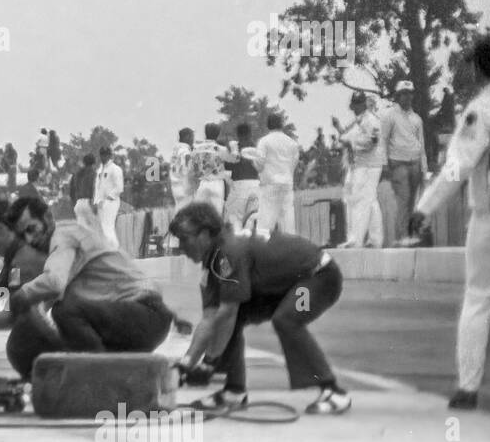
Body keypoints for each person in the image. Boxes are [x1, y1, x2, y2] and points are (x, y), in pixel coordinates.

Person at [169, 201, 351, 414]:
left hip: (318, 277)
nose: (181, 247)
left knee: (287, 319)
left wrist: (209, 364)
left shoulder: (229, 253)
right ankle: (233, 392)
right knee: (231, 319)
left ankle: (334, 391)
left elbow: (227, 312)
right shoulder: (212, 264)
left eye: (184, 239)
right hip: (286, 285)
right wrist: (185, 365)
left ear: (205, 234)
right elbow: (211, 318)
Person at [0, 196, 174, 380]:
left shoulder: (45, 249)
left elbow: (17, 308)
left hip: (145, 313)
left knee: (54, 319)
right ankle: (97, 373)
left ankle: (100, 377)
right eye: (23, 234)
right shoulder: (19, 261)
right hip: (131, 315)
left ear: (1, 230)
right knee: (30, 336)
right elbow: (5, 293)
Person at [411, 33, 490, 410]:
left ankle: (467, 389)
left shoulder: (481, 109)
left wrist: (425, 207)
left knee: (479, 298)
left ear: (480, 69)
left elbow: (458, 167)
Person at [334, 91, 385, 248]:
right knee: (370, 201)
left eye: (358, 103)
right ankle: (375, 239)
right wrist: (345, 140)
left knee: (360, 200)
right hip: (358, 164)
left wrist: (350, 142)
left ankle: (356, 239)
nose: (355, 107)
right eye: (354, 104)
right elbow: (346, 138)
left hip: (369, 165)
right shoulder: (358, 121)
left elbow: (372, 141)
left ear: (364, 104)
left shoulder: (371, 120)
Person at [380, 80, 428, 243]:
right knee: (403, 199)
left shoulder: (417, 119)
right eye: (404, 94)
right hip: (397, 163)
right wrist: (384, 163)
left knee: (413, 201)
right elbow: (383, 139)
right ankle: (403, 237)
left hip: (415, 163)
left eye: (410, 94)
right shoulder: (389, 115)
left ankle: (410, 235)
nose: (407, 97)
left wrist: (424, 167)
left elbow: (421, 145)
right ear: (398, 96)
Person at [244, 113, 299, 235]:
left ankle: (263, 247)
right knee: (287, 218)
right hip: (287, 183)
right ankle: (289, 247)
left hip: (270, 183)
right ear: (282, 124)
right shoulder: (292, 142)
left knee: (266, 219)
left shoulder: (264, 141)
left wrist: (252, 161)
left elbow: (260, 162)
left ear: (268, 125)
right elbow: (294, 162)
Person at [190, 122, 234, 213]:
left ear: (205, 133)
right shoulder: (220, 149)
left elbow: (192, 168)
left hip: (202, 183)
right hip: (217, 184)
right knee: (216, 215)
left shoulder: (196, 149)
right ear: (217, 134)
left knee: (200, 216)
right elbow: (233, 159)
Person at [225, 123, 260, 232]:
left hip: (239, 186)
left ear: (238, 134)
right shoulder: (257, 148)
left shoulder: (235, 148)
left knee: (235, 220)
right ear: (250, 133)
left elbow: (227, 166)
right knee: (250, 219)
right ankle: (248, 244)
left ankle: (238, 245)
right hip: (256, 185)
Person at [92, 146, 124, 249]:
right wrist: (96, 202)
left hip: (111, 201)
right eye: (101, 155)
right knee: (102, 228)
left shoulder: (115, 169)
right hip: (100, 203)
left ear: (110, 155)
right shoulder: (100, 170)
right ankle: (108, 250)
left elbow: (119, 187)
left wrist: (108, 199)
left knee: (108, 227)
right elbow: (97, 187)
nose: (103, 157)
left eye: (105, 155)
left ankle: (113, 250)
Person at [168, 128, 196, 211]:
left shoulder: (175, 151)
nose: (193, 140)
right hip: (185, 189)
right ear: (187, 137)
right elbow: (190, 170)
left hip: (176, 188)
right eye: (192, 137)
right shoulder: (185, 152)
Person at [70, 153, 97, 229]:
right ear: (93, 163)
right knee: (94, 233)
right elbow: (94, 189)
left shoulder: (76, 174)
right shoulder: (93, 174)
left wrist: (74, 203)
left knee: (82, 233)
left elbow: (72, 191)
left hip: (78, 204)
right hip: (89, 203)